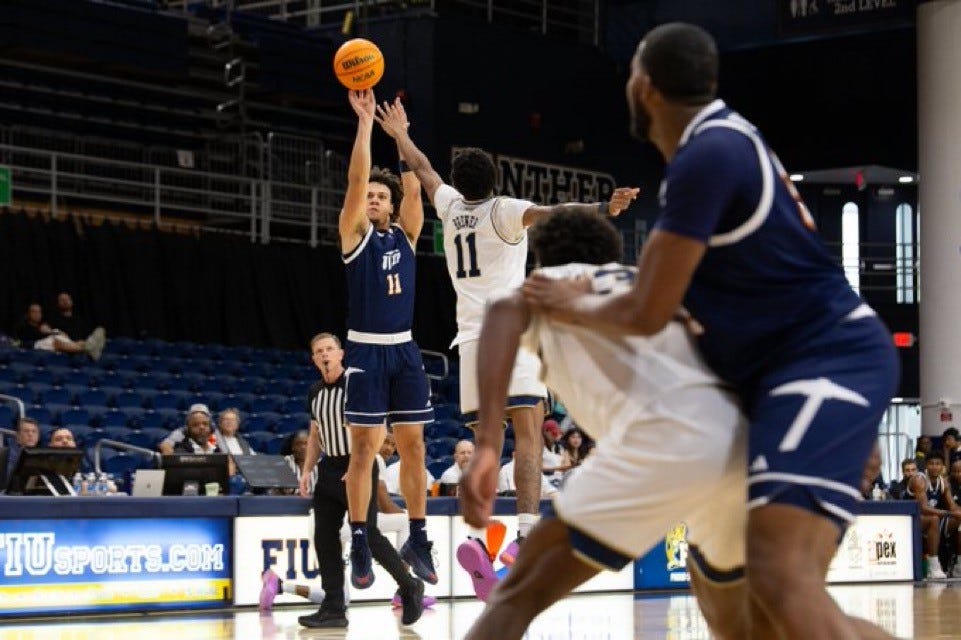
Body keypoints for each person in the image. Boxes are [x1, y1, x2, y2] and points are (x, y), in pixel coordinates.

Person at [519, 23, 899, 639]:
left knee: (779, 575)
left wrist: (571, 301)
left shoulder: (709, 154)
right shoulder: (719, 147)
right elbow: (684, 307)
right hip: (794, 371)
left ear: (643, 86)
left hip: (823, 362)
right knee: (768, 599)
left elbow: (646, 311)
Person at [373, 96, 638, 589]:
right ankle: (523, 536)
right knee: (530, 437)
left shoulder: (449, 207)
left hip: (469, 342)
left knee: (486, 444)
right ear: (493, 182)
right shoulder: (505, 210)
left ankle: (481, 537)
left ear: (461, 183)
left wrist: (398, 132)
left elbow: (423, 166)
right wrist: (606, 206)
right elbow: (557, 212)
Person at [459, 208, 748, 632]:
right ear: (611, 253)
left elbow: (502, 313)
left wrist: (487, 444)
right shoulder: (650, 285)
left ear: (541, 258)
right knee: (729, 605)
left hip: (655, 437)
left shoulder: (549, 283)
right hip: (737, 442)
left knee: (515, 597)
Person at [337, 89, 437, 588]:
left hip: (404, 348)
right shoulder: (354, 236)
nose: (374, 198)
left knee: (415, 447)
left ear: (392, 206)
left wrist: (401, 137)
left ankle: (418, 537)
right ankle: (359, 539)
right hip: (365, 349)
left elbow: (415, 190)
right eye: (370, 197)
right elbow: (358, 177)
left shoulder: (407, 235)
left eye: (382, 196)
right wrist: (364, 126)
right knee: (363, 453)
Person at [279, 332, 424, 629]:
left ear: (341, 353)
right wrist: (307, 470)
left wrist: (362, 462)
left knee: (368, 533)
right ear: (314, 359)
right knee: (324, 538)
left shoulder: (358, 384)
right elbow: (316, 434)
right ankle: (333, 607)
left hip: (358, 465)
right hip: (330, 469)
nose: (324, 354)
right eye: (319, 351)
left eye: (329, 348)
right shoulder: (315, 391)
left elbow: (380, 428)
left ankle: (409, 585)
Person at [906, 450, 961, 579]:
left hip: (930, 519)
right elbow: (924, 508)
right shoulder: (919, 479)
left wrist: (957, 512)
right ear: (926, 465)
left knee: (958, 520)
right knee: (934, 519)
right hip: (911, 518)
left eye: (938, 464)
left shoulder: (943, 482)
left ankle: (958, 566)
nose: (935, 467)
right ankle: (933, 567)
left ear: (943, 467)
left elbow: (953, 506)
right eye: (931, 463)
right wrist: (949, 513)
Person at [12, 302, 105, 361]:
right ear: (28, 314)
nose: (37, 314)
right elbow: (29, 338)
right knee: (56, 340)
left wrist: (56, 332)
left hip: (47, 343)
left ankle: (87, 345)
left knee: (62, 335)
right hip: (35, 346)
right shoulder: (23, 327)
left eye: (39, 312)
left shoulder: (43, 325)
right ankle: (86, 348)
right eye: (34, 312)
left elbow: (49, 333)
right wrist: (52, 332)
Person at [0, 417, 40, 493]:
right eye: (26, 431)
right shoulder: (4, 454)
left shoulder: (42, 457)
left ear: (38, 436)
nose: (30, 434)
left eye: (34, 431)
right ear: (18, 435)